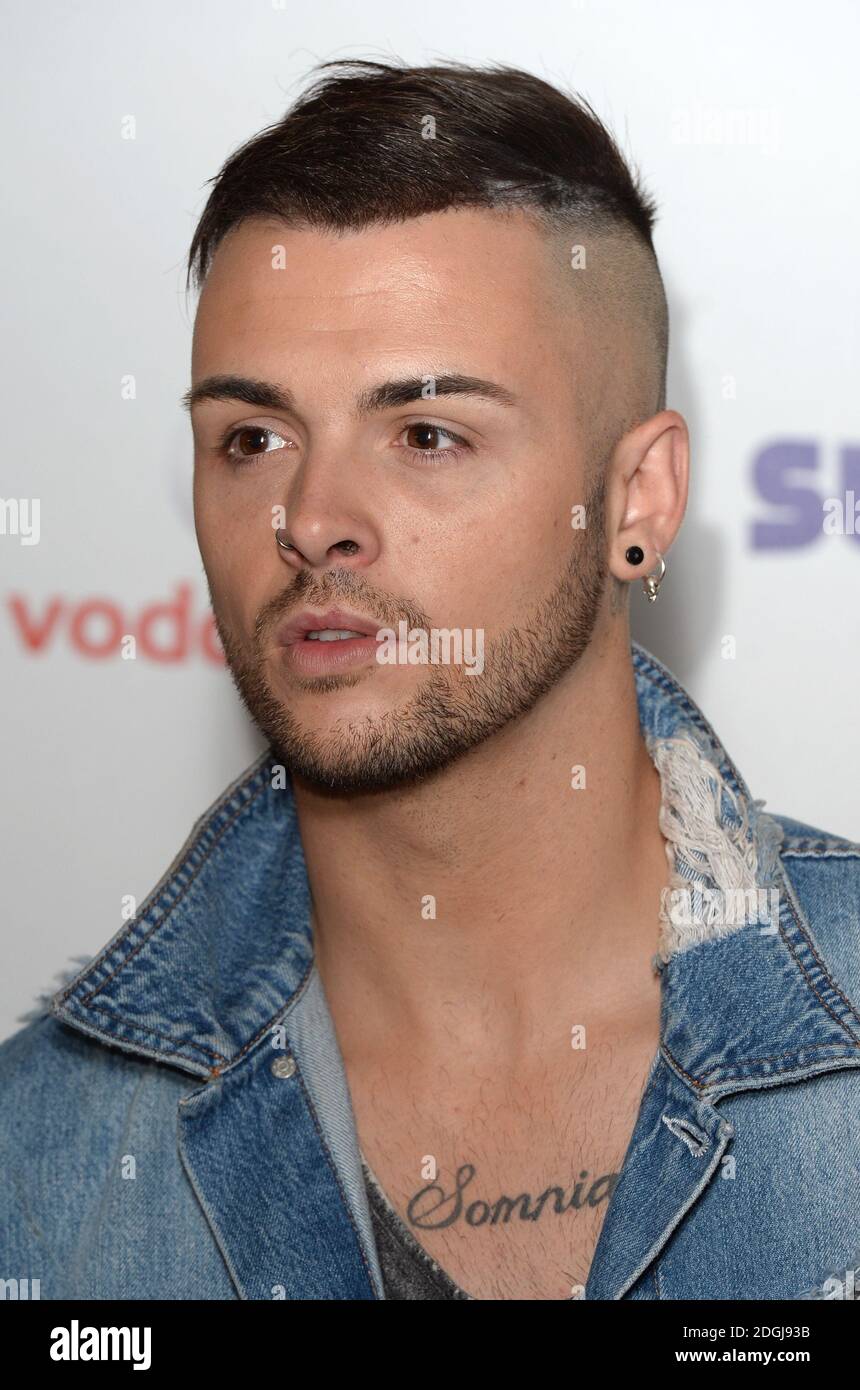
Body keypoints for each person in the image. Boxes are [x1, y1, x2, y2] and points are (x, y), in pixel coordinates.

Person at [2, 59, 858, 1303]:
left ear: (635, 500)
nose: (309, 518)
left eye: (426, 434)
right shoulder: (43, 1167)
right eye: (253, 438)